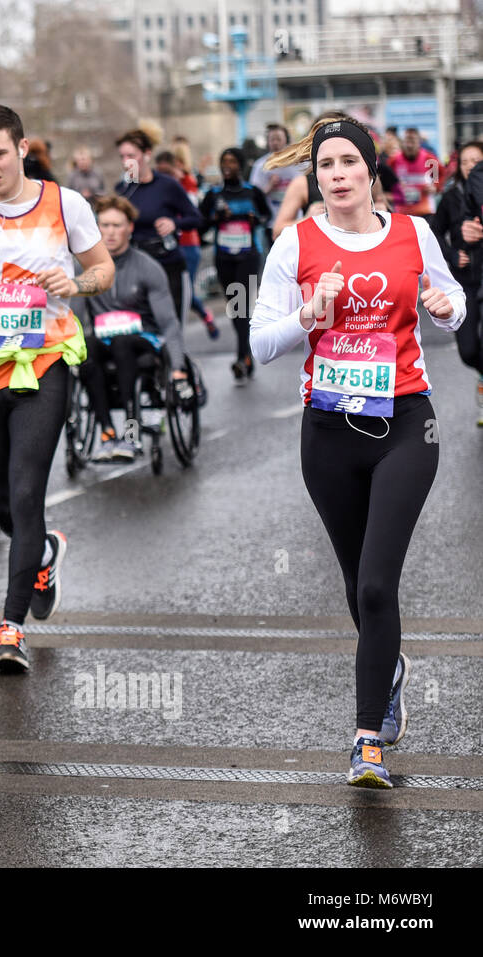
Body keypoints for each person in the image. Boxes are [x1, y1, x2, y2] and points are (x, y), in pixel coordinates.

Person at [251, 117, 465, 789]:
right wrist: (309, 314)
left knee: (377, 584)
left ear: (371, 170)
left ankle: (366, 738)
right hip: (329, 431)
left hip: (407, 422)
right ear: (314, 176)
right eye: (325, 165)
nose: (337, 174)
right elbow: (260, 343)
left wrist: (444, 304)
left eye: (348, 162)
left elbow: (454, 304)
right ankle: (390, 663)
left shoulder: (414, 232)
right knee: (356, 584)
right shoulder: (296, 243)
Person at [0, 104, 114, 672]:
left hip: (44, 363)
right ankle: (45, 551)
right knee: (1, 502)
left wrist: (76, 282)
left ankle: (9, 628)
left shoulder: (66, 203)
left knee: (28, 492)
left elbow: (103, 268)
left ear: (22, 148)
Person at [79, 196, 193, 462]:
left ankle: (131, 435)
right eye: (104, 225)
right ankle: (107, 433)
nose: (109, 232)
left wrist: (177, 367)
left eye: (116, 225)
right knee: (86, 348)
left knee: (122, 342)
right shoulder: (85, 267)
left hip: (142, 342)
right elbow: (74, 317)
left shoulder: (148, 268)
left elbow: (168, 322)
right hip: (103, 342)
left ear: (130, 227)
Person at [115, 128, 202, 331]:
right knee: (141, 331)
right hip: (135, 267)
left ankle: (179, 363)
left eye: (131, 156)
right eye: (122, 157)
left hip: (168, 264)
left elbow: (196, 218)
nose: (126, 162)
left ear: (147, 154)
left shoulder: (167, 185)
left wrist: (174, 224)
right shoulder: (123, 190)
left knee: (172, 329)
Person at [199, 148, 273, 384]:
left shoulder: (252, 192)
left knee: (242, 306)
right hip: (224, 258)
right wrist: (216, 219)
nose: (227, 166)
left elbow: (266, 216)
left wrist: (254, 220)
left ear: (241, 166)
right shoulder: (213, 194)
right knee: (234, 309)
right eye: (224, 162)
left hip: (248, 256)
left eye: (232, 162)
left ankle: (242, 358)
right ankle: (246, 353)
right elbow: (201, 228)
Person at [430, 142, 483, 423]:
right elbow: (433, 231)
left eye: (477, 160)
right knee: (469, 350)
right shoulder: (451, 197)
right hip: (463, 283)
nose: (472, 166)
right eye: (466, 162)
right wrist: (452, 254)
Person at [162, 142, 220, 339]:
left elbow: (191, 212)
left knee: (184, 290)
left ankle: (204, 316)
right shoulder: (172, 182)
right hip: (176, 244)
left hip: (188, 243)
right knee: (174, 290)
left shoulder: (185, 182)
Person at [249, 123, 306, 219]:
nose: (275, 143)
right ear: (267, 142)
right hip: (271, 220)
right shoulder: (260, 165)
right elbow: (253, 197)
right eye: (272, 139)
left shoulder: (298, 163)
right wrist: (270, 186)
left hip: (296, 219)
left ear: (286, 140)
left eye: (279, 139)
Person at [388, 127, 439, 216]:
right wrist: (391, 193)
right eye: (407, 141)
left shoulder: (430, 159)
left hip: (425, 212)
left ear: (419, 143)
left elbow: (440, 175)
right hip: (402, 212)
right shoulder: (394, 160)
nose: (410, 145)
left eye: (413, 141)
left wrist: (435, 187)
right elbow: (385, 180)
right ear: (403, 143)